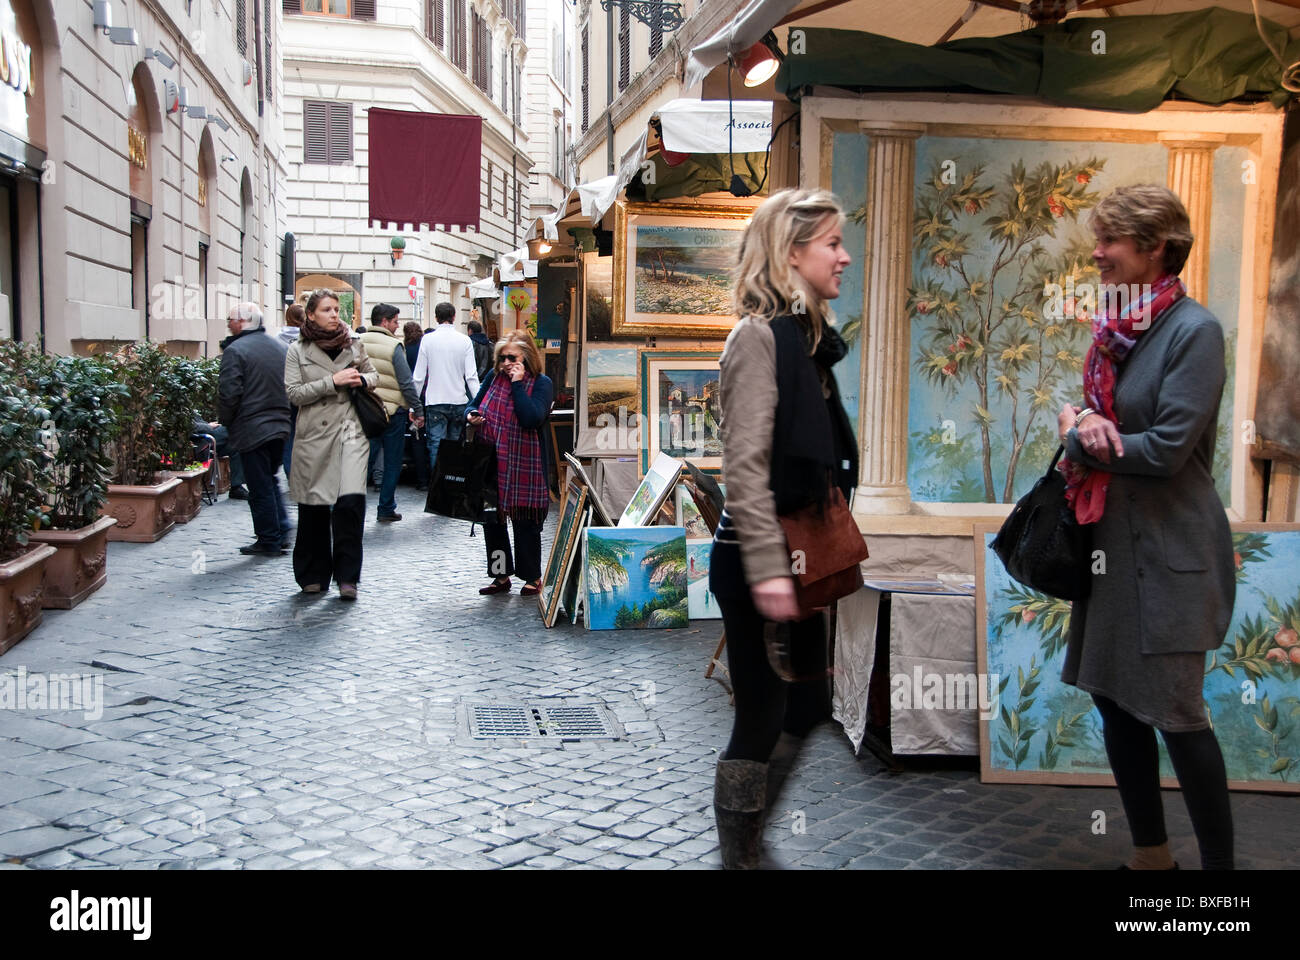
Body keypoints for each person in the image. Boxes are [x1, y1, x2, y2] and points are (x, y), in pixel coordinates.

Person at [1055, 184, 1235, 871]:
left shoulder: (1195, 331)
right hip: (1114, 548)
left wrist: (1079, 435)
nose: (1096, 253)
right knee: (1115, 700)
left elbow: (1165, 450)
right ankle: (1152, 858)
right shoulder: (1123, 327)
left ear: (1157, 247)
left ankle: (1221, 881)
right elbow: (1116, 421)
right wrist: (1085, 418)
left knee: (1178, 715)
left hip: (1169, 557)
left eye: (1111, 241)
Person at [707, 189, 857, 869]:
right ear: (792, 252)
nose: (844, 256)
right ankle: (740, 853)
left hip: (800, 556)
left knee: (809, 707)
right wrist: (769, 570)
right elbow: (743, 468)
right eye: (832, 243)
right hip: (758, 560)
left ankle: (751, 837)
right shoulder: (758, 339)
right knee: (763, 716)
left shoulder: (808, 343)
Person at [284, 288, 379, 600]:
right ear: (311, 314)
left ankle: (348, 577)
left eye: (337, 309)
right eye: (327, 309)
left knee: (350, 506)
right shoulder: (297, 350)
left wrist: (362, 380)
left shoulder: (354, 344)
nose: (335, 314)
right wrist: (332, 382)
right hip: (313, 437)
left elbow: (374, 376)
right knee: (314, 507)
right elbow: (294, 393)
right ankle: (312, 575)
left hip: (350, 434)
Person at [466, 330, 554, 596]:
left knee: (524, 521)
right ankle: (500, 575)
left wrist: (517, 384)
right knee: (492, 521)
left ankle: (531, 577)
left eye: (511, 357)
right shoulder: (493, 378)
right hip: (491, 461)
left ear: (526, 357)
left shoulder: (541, 383)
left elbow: (531, 418)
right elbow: (473, 403)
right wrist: (470, 415)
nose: (505, 363)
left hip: (523, 465)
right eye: (502, 357)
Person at [217, 302, 293, 556]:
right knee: (269, 480)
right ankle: (280, 531)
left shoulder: (235, 351)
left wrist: (227, 422)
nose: (228, 323)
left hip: (253, 428)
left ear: (242, 321)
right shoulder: (279, 347)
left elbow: (229, 394)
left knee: (259, 485)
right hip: (280, 425)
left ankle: (269, 539)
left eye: (230, 319)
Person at [360, 304, 424, 521]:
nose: (398, 326)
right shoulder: (394, 345)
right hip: (392, 412)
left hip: (366, 411)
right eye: (396, 321)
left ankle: (351, 505)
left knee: (363, 461)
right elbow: (406, 382)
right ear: (385, 321)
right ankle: (386, 507)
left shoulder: (358, 342)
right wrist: (417, 408)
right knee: (392, 462)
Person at [413, 302, 479, 477]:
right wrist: (479, 402)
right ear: (454, 317)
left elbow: (418, 377)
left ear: (436, 318)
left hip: (435, 400)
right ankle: (451, 485)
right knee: (455, 447)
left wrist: (413, 406)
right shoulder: (465, 340)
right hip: (458, 400)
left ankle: (437, 487)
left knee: (436, 445)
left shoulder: (427, 340)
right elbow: (471, 376)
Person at [403, 320, 432, 492]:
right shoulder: (425, 348)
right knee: (434, 438)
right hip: (429, 397)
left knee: (417, 439)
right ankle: (431, 474)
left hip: (413, 399)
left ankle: (421, 479)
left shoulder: (406, 350)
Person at [280, 303, 306, 479]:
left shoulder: (276, 339)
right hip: (305, 393)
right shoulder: (308, 340)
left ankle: (290, 472)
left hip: (283, 393)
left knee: (288, 435)